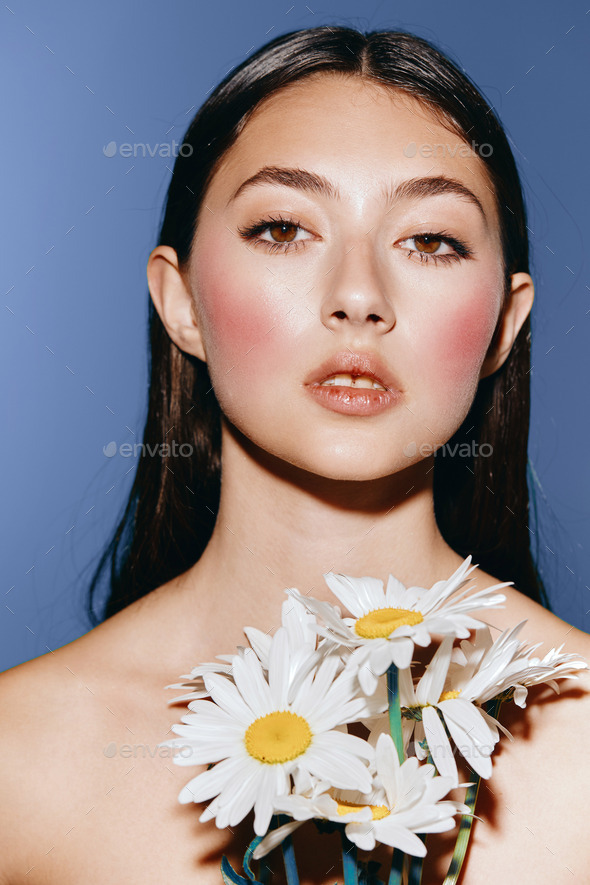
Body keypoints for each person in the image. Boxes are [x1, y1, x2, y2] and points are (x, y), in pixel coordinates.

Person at [1, 25, 588, 885]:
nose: (358, 296)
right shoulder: (19, 760)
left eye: (431, 240)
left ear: (505, 322)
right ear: (181, 301)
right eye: (282, 228)